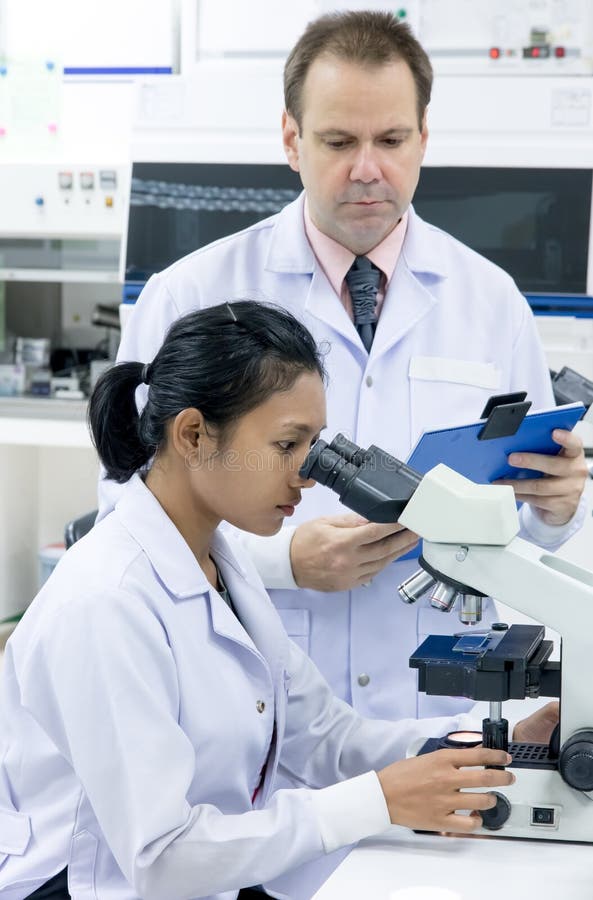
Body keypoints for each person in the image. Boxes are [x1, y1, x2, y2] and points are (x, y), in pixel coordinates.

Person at [104, 8, 588, 729]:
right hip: (251, 699)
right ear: (291, 140)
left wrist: (554, 509)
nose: (367, 168)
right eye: (337, 141)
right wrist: (281, 562)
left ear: (423, 139)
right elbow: (125, 515)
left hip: (437, 703)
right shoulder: (192, 295)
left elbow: (518, 529)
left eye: (391, 140)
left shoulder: (490, 302)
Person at [0, 301, 526, 900]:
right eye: (286, 445)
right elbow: (160, 858)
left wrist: (482, 748)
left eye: (313, 444)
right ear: (194, 434)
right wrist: (377, 801)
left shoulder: (222, 563)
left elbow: (324, 735)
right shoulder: (106, 603)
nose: (307, 473)